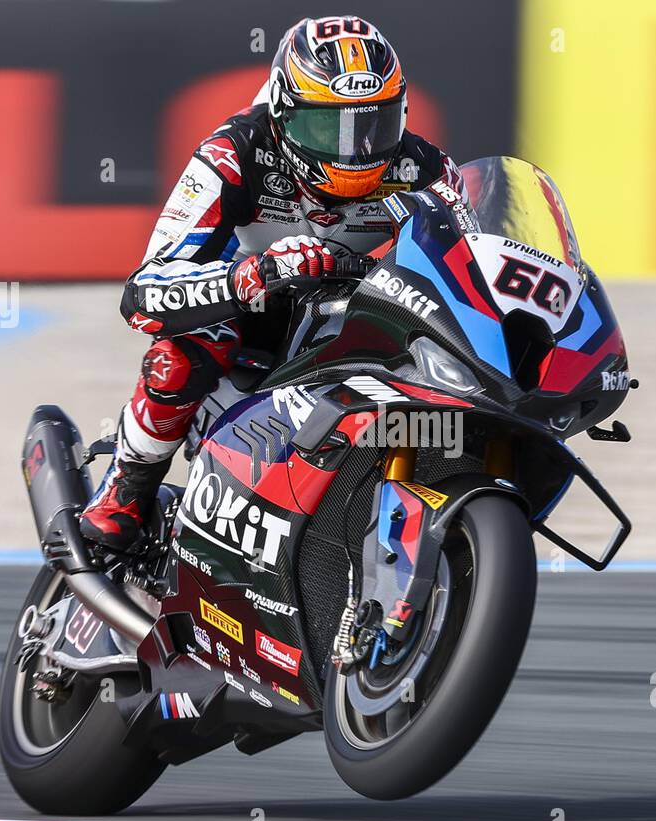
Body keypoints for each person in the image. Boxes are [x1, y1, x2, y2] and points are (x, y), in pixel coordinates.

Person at [80, 14, 466, 549]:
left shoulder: (426, 168)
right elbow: (143, 297)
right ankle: (128, 485)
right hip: (248, 314)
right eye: (325, 127)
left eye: (371, 125)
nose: (351, 151)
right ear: (284, 112)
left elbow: (471, 266)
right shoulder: (233, 152)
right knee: (178, 355)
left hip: (355, 315)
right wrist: (256, 274)